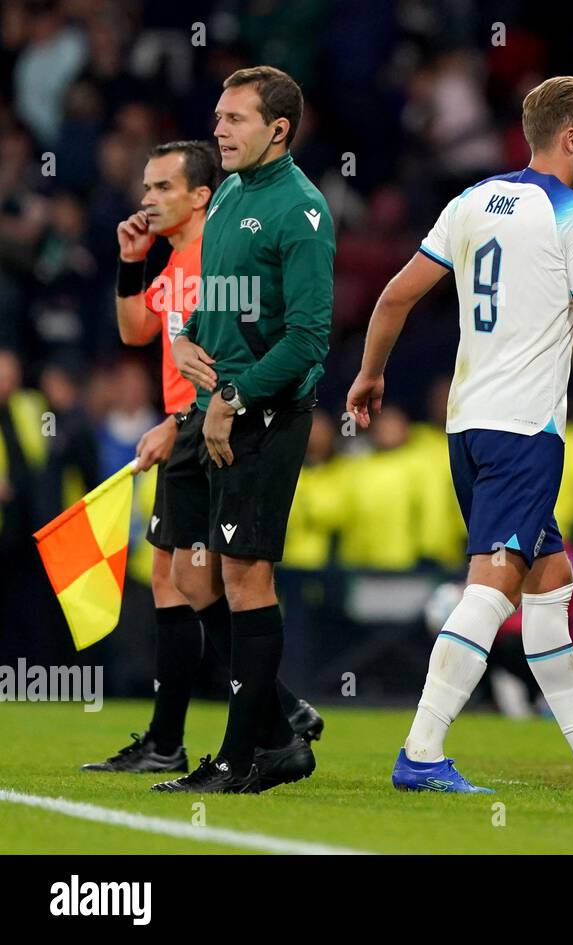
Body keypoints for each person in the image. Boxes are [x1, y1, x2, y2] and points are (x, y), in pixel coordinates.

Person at [346, 75, 573, 794]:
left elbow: (394, 295)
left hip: (466, 427)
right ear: (571, 136)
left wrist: (369, 375)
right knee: (491, 590)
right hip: (524, 431)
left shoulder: (471, 202)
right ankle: (421, 751)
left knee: (551, 585)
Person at [84, 140, 324, 776]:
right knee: (184, 578)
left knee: (198, 578)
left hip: (207, 424)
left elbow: (229, 353)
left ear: (200, 197)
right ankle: (273, 712)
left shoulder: (214, 256)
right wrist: (130, 263)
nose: (147, 200)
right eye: (145, 187)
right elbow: (137, 330)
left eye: (163, 187)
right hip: (189, 424)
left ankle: (221, 733)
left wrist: (177, 420)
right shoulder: (178, 262)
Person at [154, 66, 334, 794]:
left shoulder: (302, 210)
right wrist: (191, 339)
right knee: (195, 572)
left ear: (278, 129)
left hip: (264, 412)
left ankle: (242, 758)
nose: (219, 130)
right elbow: (221, 299)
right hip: (212, 406)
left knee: (244, 573)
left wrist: (234, 393)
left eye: (235, 119)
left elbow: (309, 338)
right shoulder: (229, 192)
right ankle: (279, 728)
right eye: (219, 116)